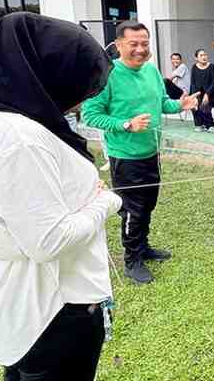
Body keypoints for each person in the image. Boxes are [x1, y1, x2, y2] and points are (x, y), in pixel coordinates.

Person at [0, 12, 121, 380]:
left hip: (15, 297)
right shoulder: (19, 137)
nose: (81, 98)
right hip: (51, 307)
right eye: (79, 81)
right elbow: (48, 241)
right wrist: (105, 201)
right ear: (49, 73)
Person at [82, 21, 199, 284]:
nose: (140, 49)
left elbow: (161, 105)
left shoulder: (151, 71)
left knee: (148, 205)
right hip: (125, 158)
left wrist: (181, 104)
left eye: (144, 43)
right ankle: (131, 259)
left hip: (151, 153)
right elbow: (91, 115)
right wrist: (126, 124)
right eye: (133, 44)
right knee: (132, 210)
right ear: (119, 45)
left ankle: (143, 247)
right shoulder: (106, 75)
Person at [190, 49, 214, 133]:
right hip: (198, 92)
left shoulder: (211, 66)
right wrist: (194, 96)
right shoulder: (194, 67)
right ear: (196, 58)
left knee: (204, 103)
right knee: (193, 104)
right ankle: (199, 124)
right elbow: (193, 83)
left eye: (205, 55)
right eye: (201, 55)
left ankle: (210, 125)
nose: (204, 57)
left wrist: (207, 94)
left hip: (212, 92)